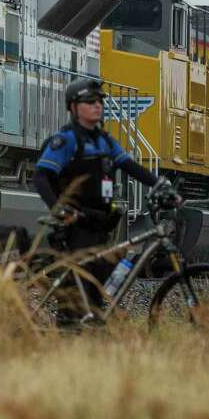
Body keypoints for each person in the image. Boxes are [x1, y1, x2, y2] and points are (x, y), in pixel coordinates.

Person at [32, 78, 164, 319]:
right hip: (76, 225)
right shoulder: (66, 140)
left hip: (100, 225)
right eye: (89, 101)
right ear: (73, 107)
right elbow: (41, 177)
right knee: (78, 290)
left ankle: (89, 332)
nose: (97, 106)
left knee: (99, 286)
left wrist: (161, 185)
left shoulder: (105, 140)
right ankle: (67, 334)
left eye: (100, 101)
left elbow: (131, 167)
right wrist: (59, 209)